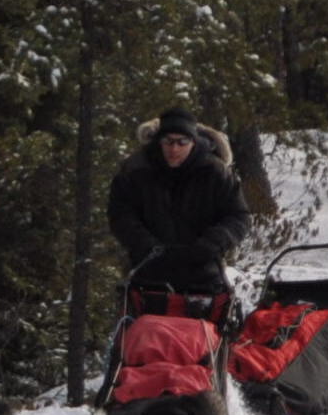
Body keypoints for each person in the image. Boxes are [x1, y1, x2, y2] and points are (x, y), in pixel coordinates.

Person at [107, 108, 249, 293]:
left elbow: (238, 217)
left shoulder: (215, 172)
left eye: (182, 142)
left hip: (204, 273)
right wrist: (146, 245)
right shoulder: (136, 169)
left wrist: (212, 243)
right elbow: (120, 213)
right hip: (147, 271)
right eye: (168, 141)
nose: (174, 149)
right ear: (159, 141)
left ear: (193, 141)